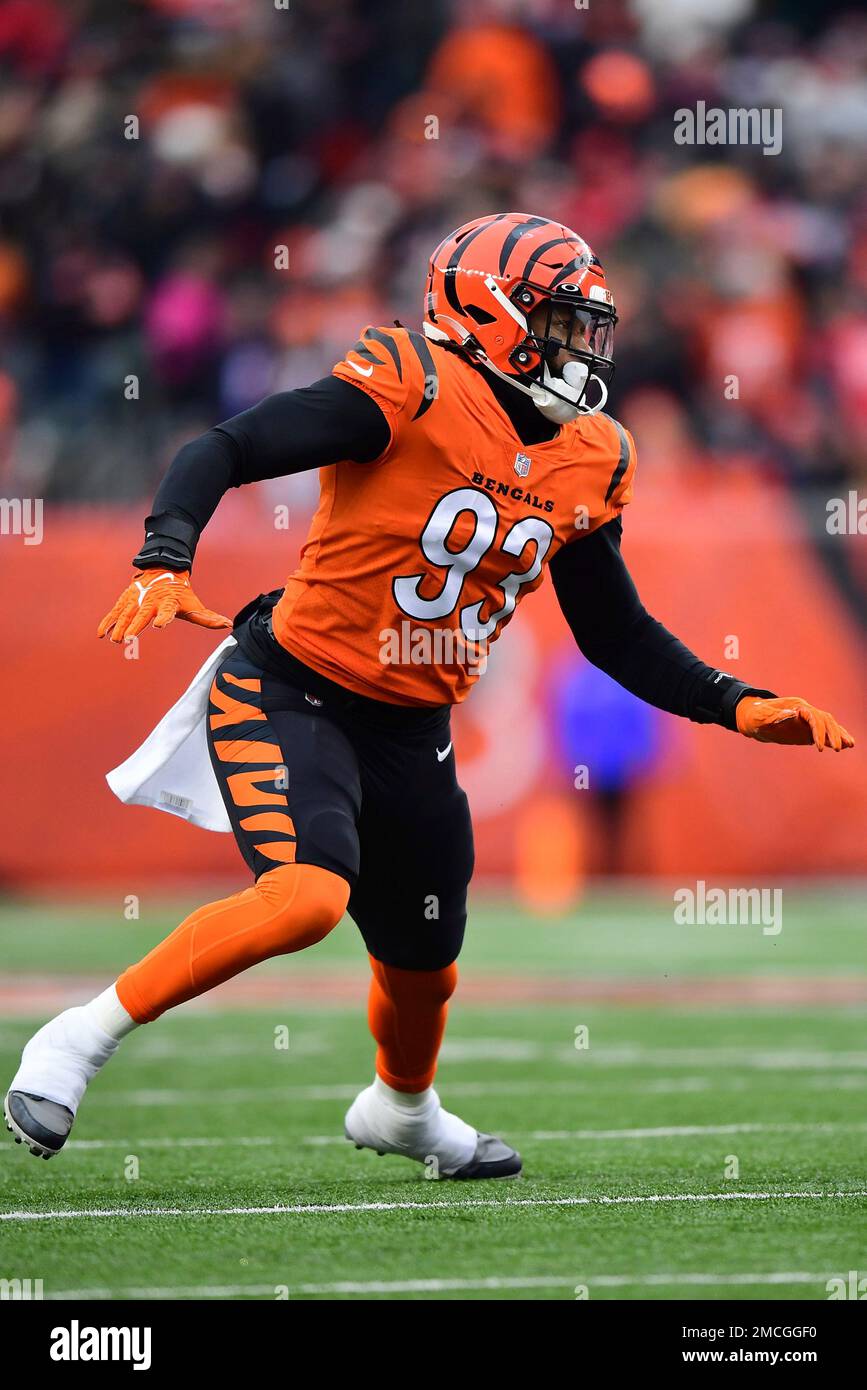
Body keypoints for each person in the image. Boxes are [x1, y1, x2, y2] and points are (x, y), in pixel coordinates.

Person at [5, 213, 853, 1180]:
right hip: (294, 686)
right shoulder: (410, 384)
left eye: (587, 327)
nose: (581, 346)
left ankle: (402, 1111)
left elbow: (614, 630)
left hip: (416, 726)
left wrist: (734, 702)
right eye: (561, 322)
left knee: (425, 963)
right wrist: (164, 553)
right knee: (305, 900)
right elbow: (227, 446)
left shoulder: (593, 454)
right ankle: (75, 1037)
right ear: (488, 312)